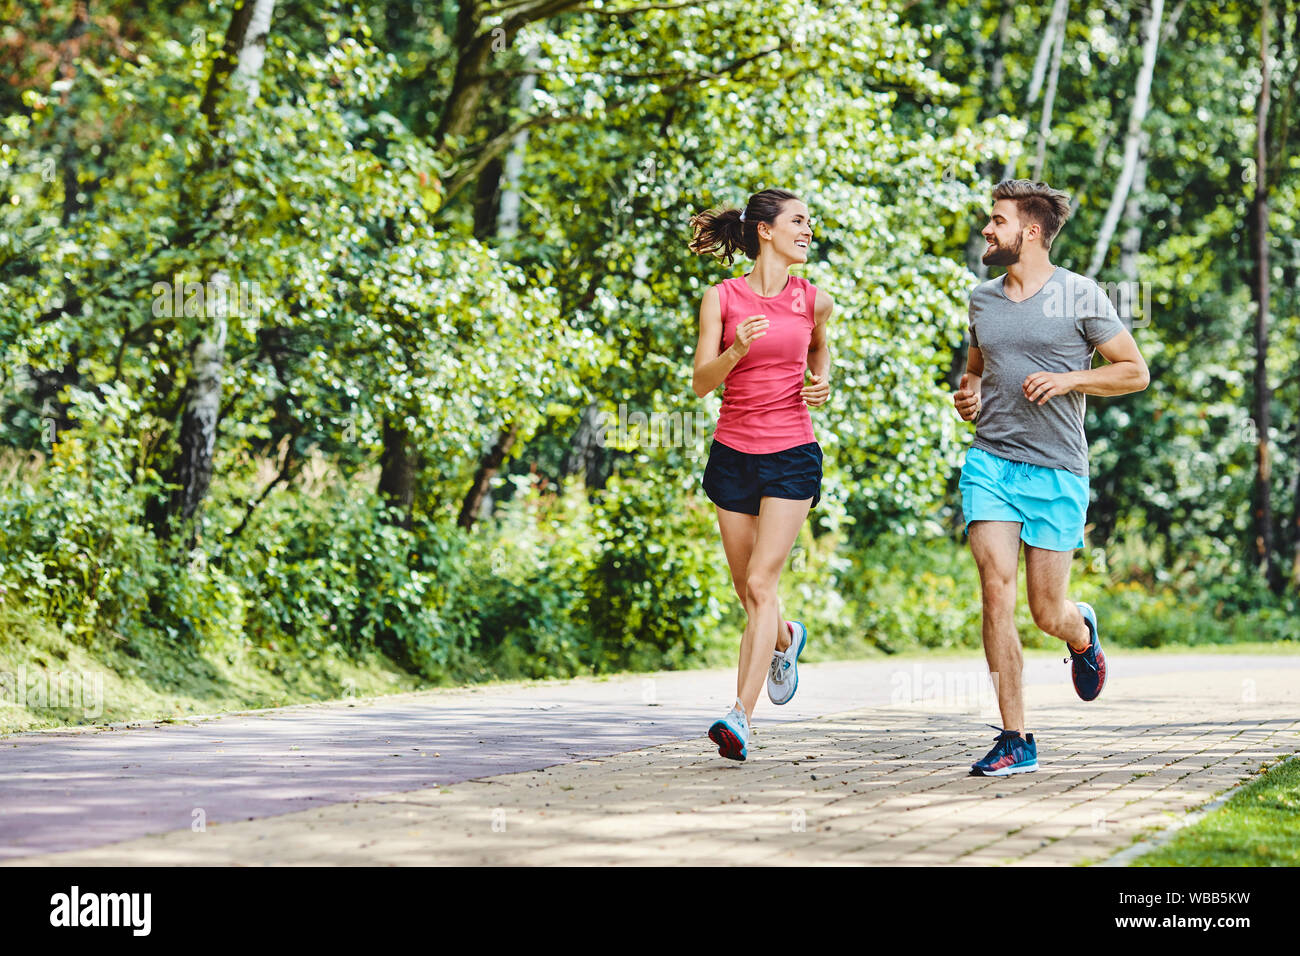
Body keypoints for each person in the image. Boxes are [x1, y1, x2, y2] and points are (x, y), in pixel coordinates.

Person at [954, 179, 1150, 776]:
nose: (988, 230)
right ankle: (1016, 737)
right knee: (995, 589)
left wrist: (1069, 380)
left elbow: (1134, 372)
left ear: (1029, 232)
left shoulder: (1078, 295)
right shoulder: (982, 300)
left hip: (1057, 468)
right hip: (990, 462)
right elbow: (976, 371)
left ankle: (1080, 633)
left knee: (1046, 612)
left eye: (997, 221)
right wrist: (970, 394)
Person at [687, 187, 833, 761]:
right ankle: (785, 638)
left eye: (810, 223)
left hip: (793, 452)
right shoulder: (720, 299)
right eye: (799, 221)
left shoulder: (812, 300)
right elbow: (701, 381)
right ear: (765, 230)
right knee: (748, 591)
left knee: (760, 585)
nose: (809, 230)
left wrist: (821, 382)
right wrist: (734, 352)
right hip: (733, 454)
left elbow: (821, 352)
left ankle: (739, 717)